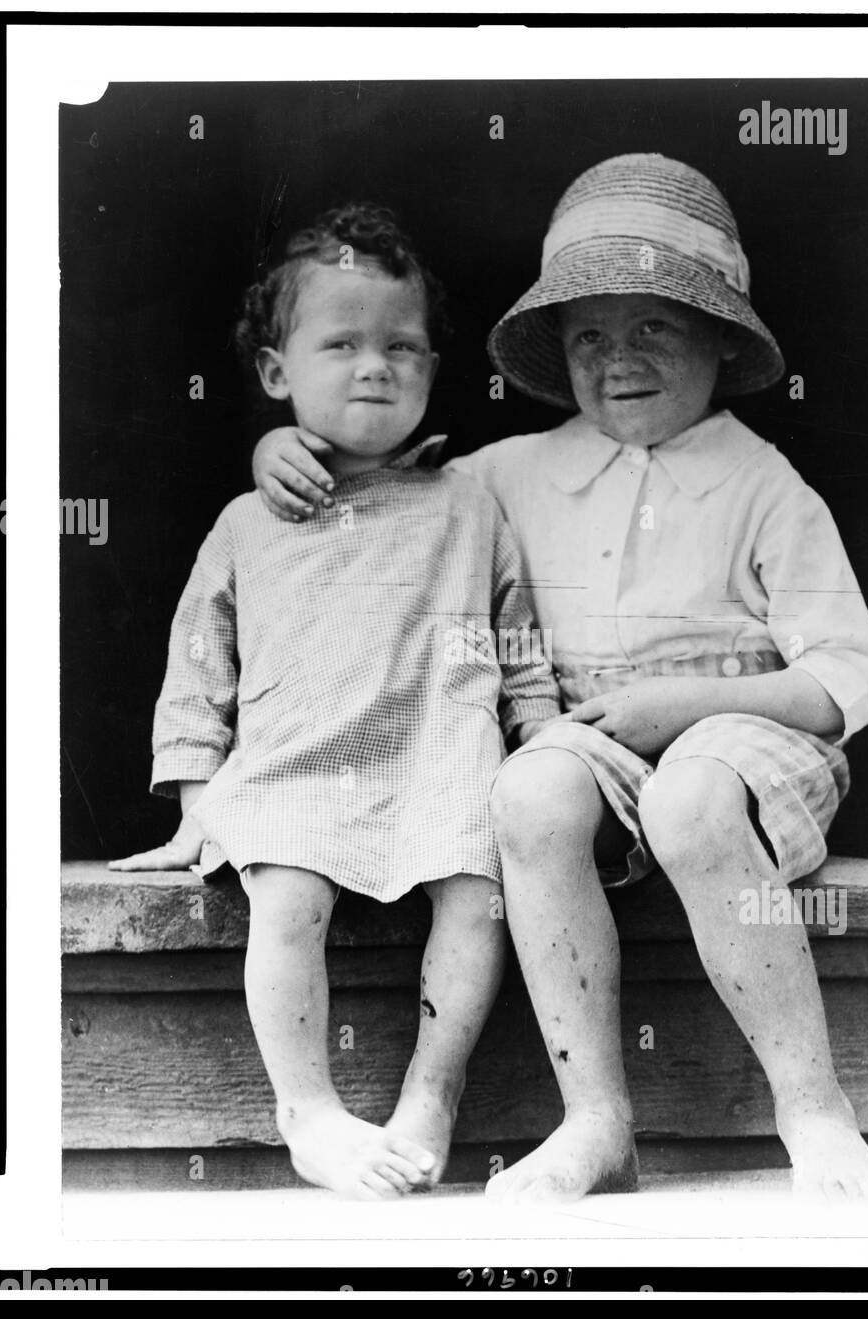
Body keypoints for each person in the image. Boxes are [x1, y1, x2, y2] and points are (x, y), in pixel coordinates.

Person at [251, 156, 868, 1205]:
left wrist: (680, 707)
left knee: (689, 800)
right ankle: (595, 1121)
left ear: (721, 339)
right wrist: (282, 447)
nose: (618, 360)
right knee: (527, 788)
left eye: (654, 328)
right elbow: (374, 486)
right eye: (590, 334)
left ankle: (811, 1107)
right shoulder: (508, 472)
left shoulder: (761, 483)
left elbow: (842, 678)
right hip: (595, 742)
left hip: (746, 735)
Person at [110, 203, 560, 1199]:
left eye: (403, 346)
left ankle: (430, 1094)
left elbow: (517, 634)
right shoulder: (245, 518)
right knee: (288, 898)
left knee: (479, 894)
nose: (376, 366)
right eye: (342, 343)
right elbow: (200, 653)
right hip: (300, 758)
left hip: (439, 751)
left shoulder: (468, 503)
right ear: (278, 374)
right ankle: (306, 1107)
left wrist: (540, 738)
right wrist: (195, 795)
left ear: (434, 369)